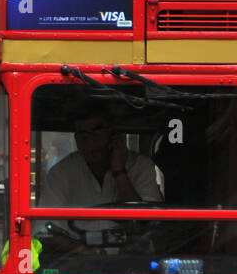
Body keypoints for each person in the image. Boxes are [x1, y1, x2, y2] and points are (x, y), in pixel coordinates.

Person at [37, 104, 161, 258]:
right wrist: (86, 252)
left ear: (114, 136)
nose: (89, 141)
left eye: (97, 131)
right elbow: (45, 229)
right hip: (77, 263)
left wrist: (119, 172)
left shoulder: (140, 166)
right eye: (82, 134)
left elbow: (146, 222)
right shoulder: (61, 173)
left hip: (133, 259)